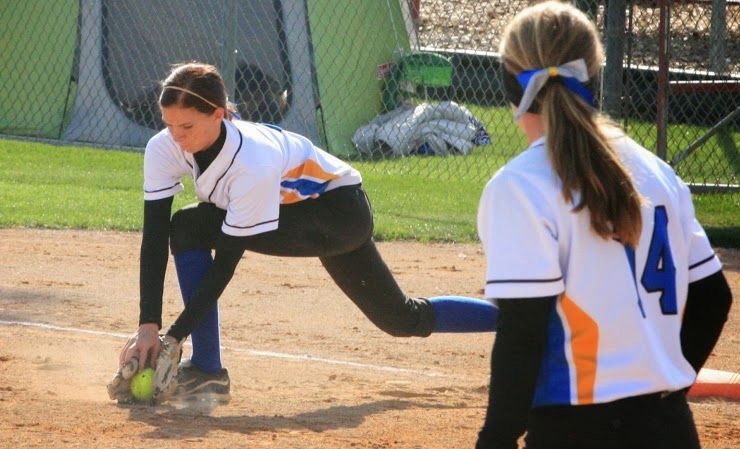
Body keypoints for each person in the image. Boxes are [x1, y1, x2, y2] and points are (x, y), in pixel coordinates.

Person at [107, 62, 498, 404]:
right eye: (169, 124)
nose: (177, 136)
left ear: (220, 115)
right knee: (401, 318)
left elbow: (225, 263)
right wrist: (148, 327)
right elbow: (155, 236)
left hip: (337, 215)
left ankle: (208, 370)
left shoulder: (251, 161)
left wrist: (174, 339)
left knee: (193, 225)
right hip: (295, 214)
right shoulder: (164, 148)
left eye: (187, 126)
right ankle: (519, 318)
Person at [475, 2, 732, 448]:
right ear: (593, 77)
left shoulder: (520, 185)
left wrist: (495, 437)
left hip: (575, 429)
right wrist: (666, 388)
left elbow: (524, 334)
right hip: (670, 426)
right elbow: (714, 297)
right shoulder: (657, 172)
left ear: (508, 87)